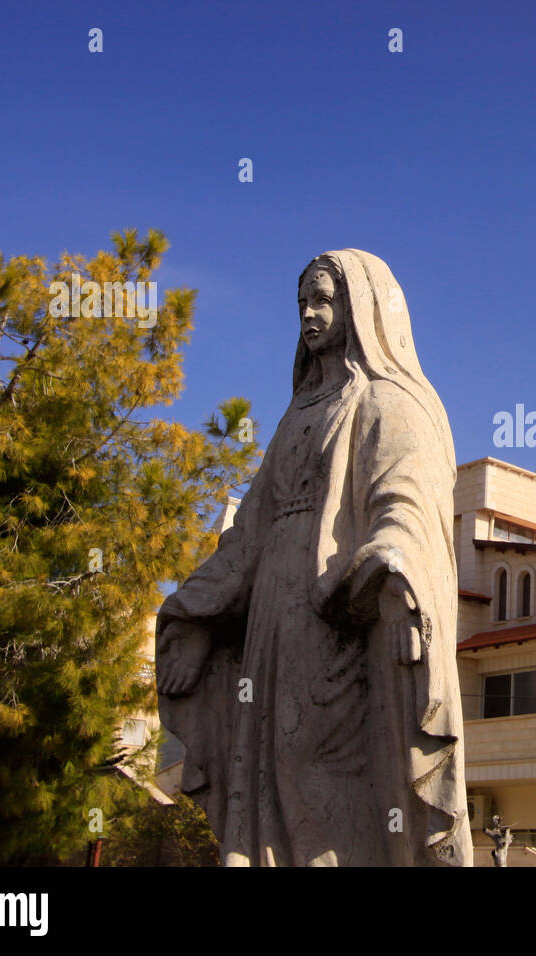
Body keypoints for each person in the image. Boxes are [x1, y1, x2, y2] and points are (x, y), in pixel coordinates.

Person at [156, 249, 471, 866]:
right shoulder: (294, 416)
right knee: (264, 761)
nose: (309, 312)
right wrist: (197, 619)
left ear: (362, 307)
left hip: (335, 616)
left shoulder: (389, 401)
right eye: (303, 301)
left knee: (316, 766)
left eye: (324, 298)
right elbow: (247, 532)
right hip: (271, 618)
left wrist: (395, 567)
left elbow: (405, 500)